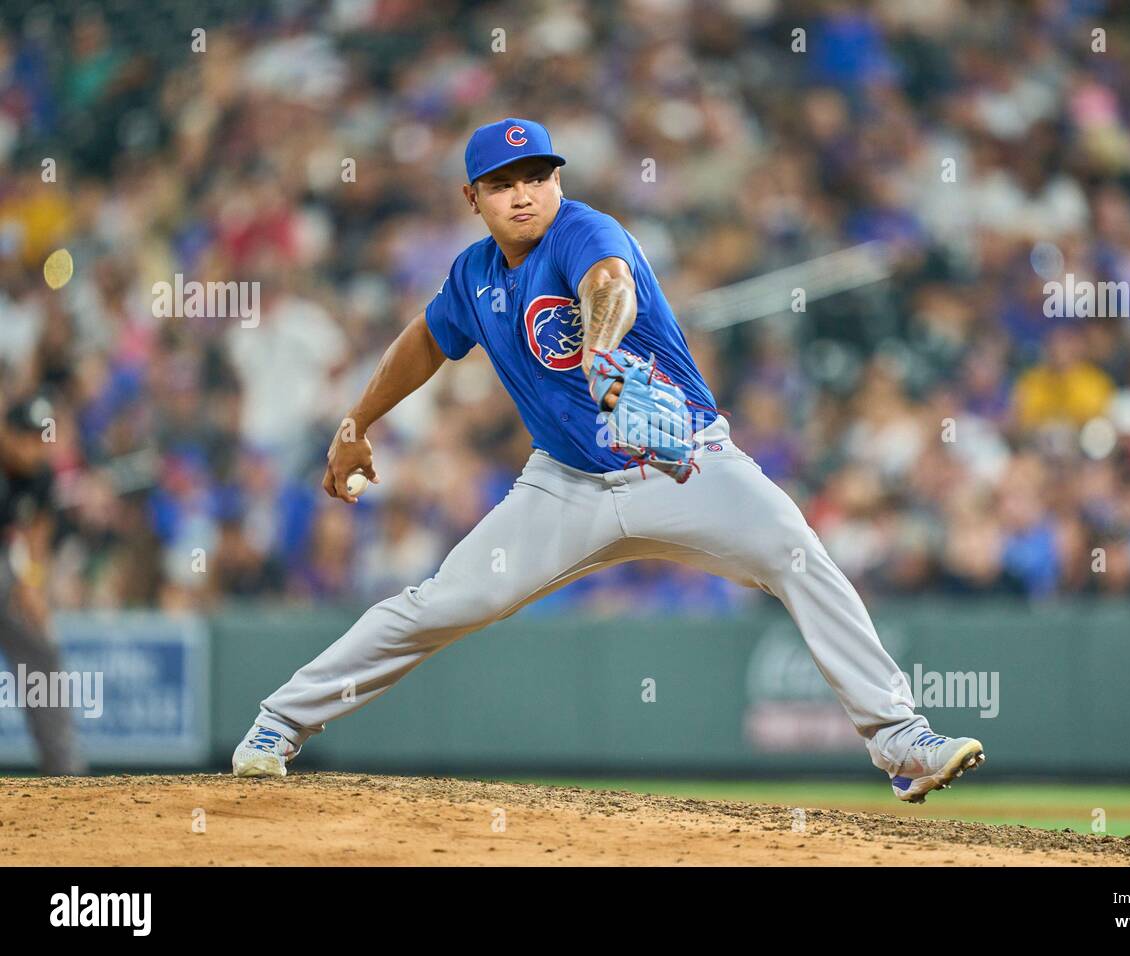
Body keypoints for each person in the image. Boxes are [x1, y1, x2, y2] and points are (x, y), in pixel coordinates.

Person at [232, 118, 985, 802]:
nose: (525, 194)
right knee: (444, 604)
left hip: (684, 465)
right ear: (473, 197)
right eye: (503, 184)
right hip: (565, 486)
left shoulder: (584, 232)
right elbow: (429, 338)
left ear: (558, 180)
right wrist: (357, 418)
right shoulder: (473, 276)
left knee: (797, 553)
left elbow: (610, 285)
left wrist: (597, 344)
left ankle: (899, 740)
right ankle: (279, 724)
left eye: (538, 176)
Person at [0, 394, 87, 775]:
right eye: (26, 436)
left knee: (43, 649)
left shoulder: (40, 474)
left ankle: (64, 771)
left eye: (41, 437)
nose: (34, 447)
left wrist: (32, 584)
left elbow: (38, 532)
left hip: (6, 568)